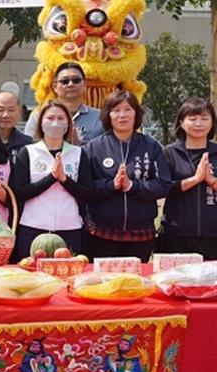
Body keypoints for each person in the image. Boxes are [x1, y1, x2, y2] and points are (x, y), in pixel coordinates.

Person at [84, 90, 172, 262]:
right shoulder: (93, 148)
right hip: (101, 232)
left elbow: (164, 184)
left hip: (141, 233)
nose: (122, 115)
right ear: (107, 115)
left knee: (136, 284)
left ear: (136, 114)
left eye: (128, 109)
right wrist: (111, 185)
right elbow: (85, 188)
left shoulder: (151, 146)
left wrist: (133, 186)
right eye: (116, 110)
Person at [9, 100, 93, 257]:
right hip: (33, 227)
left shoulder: (78, 153)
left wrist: (65, 180)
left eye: (61, 118)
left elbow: (88, 193)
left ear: (69, 123)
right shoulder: (27, 153)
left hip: (70, 228)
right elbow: (19, 192)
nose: (55, 123)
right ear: (41, 123)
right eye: (50, 118)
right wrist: (51, 178)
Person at [159, 98, 217, 259]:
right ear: (182, 123)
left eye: (204, 118)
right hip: (176, 235)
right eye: (192, 119)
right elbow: (162, 188)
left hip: (213, 236)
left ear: (212, 123)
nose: (199, 123)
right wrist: (195, 179)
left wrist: (211, 180)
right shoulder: (169, 153)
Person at [24, 62, 102, 144]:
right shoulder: (38, 117)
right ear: (55, 87)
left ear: (84, 84)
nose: (70, 84)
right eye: (64, 81)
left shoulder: (99, 118)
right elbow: (28, 148)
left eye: (76, 80)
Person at [0, 91, 33, 163]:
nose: (6, 115)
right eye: (0, 110)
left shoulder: (27, 144)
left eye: (11, 110)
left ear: (19, 113)